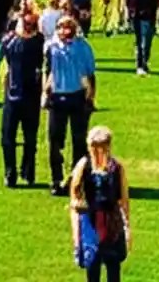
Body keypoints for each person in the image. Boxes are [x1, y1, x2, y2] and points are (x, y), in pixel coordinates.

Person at [69, 126, 131, 282]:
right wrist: (77, 238)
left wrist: (127, 228)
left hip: (112, 224)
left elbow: (124, 201)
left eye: (100, 149)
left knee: (113, 268)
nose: (96, 153)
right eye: (93, 149)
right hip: (90, 224)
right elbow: (74, 202)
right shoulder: (83, 166)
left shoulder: (117, 168)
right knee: (93, 267)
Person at [44, 16, 97, 196]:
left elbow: (90, 75)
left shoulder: (83, 47)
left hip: (77, 97)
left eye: (69, 27)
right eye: (61, 27)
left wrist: (90, 99)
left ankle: (77, 179)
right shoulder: (50, 47)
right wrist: (45, 94)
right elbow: (47, 71)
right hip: (57, 98)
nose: (65, 31)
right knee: (54, 141)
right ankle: (56, 179)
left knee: (79, 141)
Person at [0, 11, 45, 186]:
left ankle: (28, 172)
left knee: (30, 138)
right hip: (14, 95)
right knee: (7, 137)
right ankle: (11, 172)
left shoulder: (38, 43)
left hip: (29, 95)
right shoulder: (13, 42)